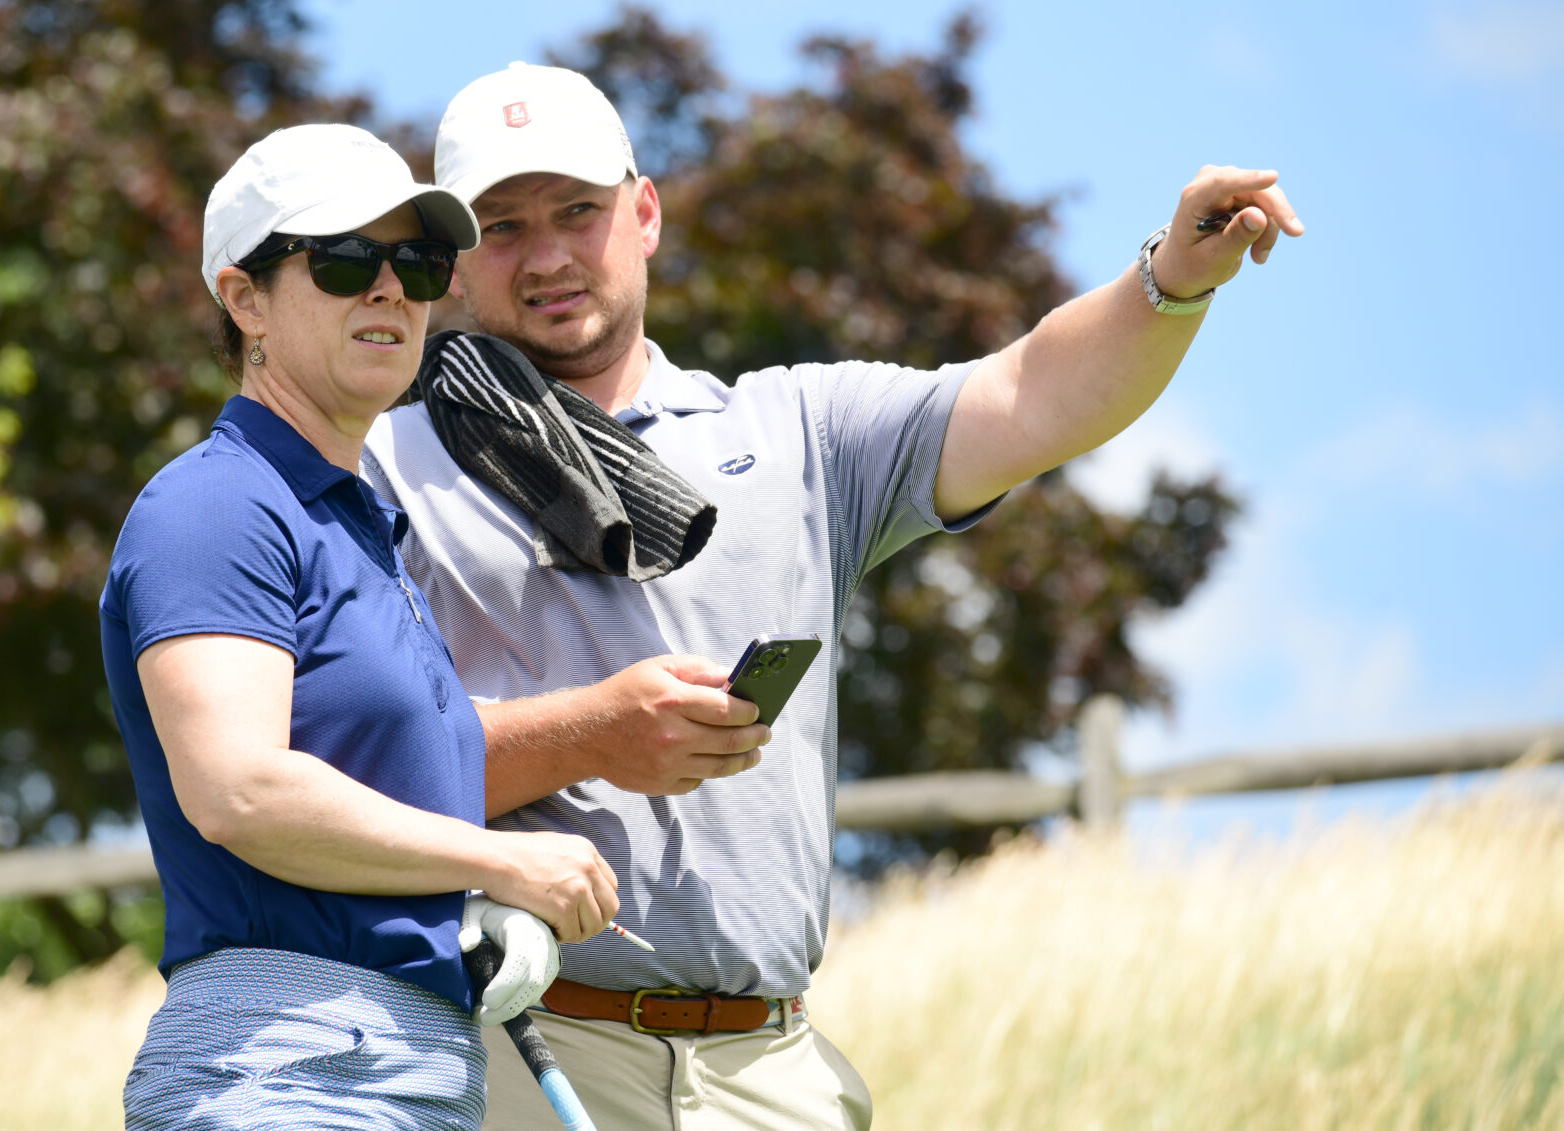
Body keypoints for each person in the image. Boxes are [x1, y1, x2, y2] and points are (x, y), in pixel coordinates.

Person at [360, 64, 1305, 1130]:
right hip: (525, 1054)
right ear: (452, 260)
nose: (545, 257)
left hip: (776, 1070)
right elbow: (336, 766)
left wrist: (1170, 280)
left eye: (577, 211)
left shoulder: (799, 433)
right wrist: (591, 735)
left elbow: (1032, 393)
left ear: (644, 214)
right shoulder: (377, 469)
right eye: (501, 227)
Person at [100, 123, 619, 1131]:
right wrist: (499, 862)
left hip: (398, 1075)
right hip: (284, 1072)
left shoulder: (360, 528)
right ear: (244, 298)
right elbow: (240, 791)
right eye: (343, 260)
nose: (389, 291)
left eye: (417, 265)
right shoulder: (216, 506)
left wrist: (454, 910)